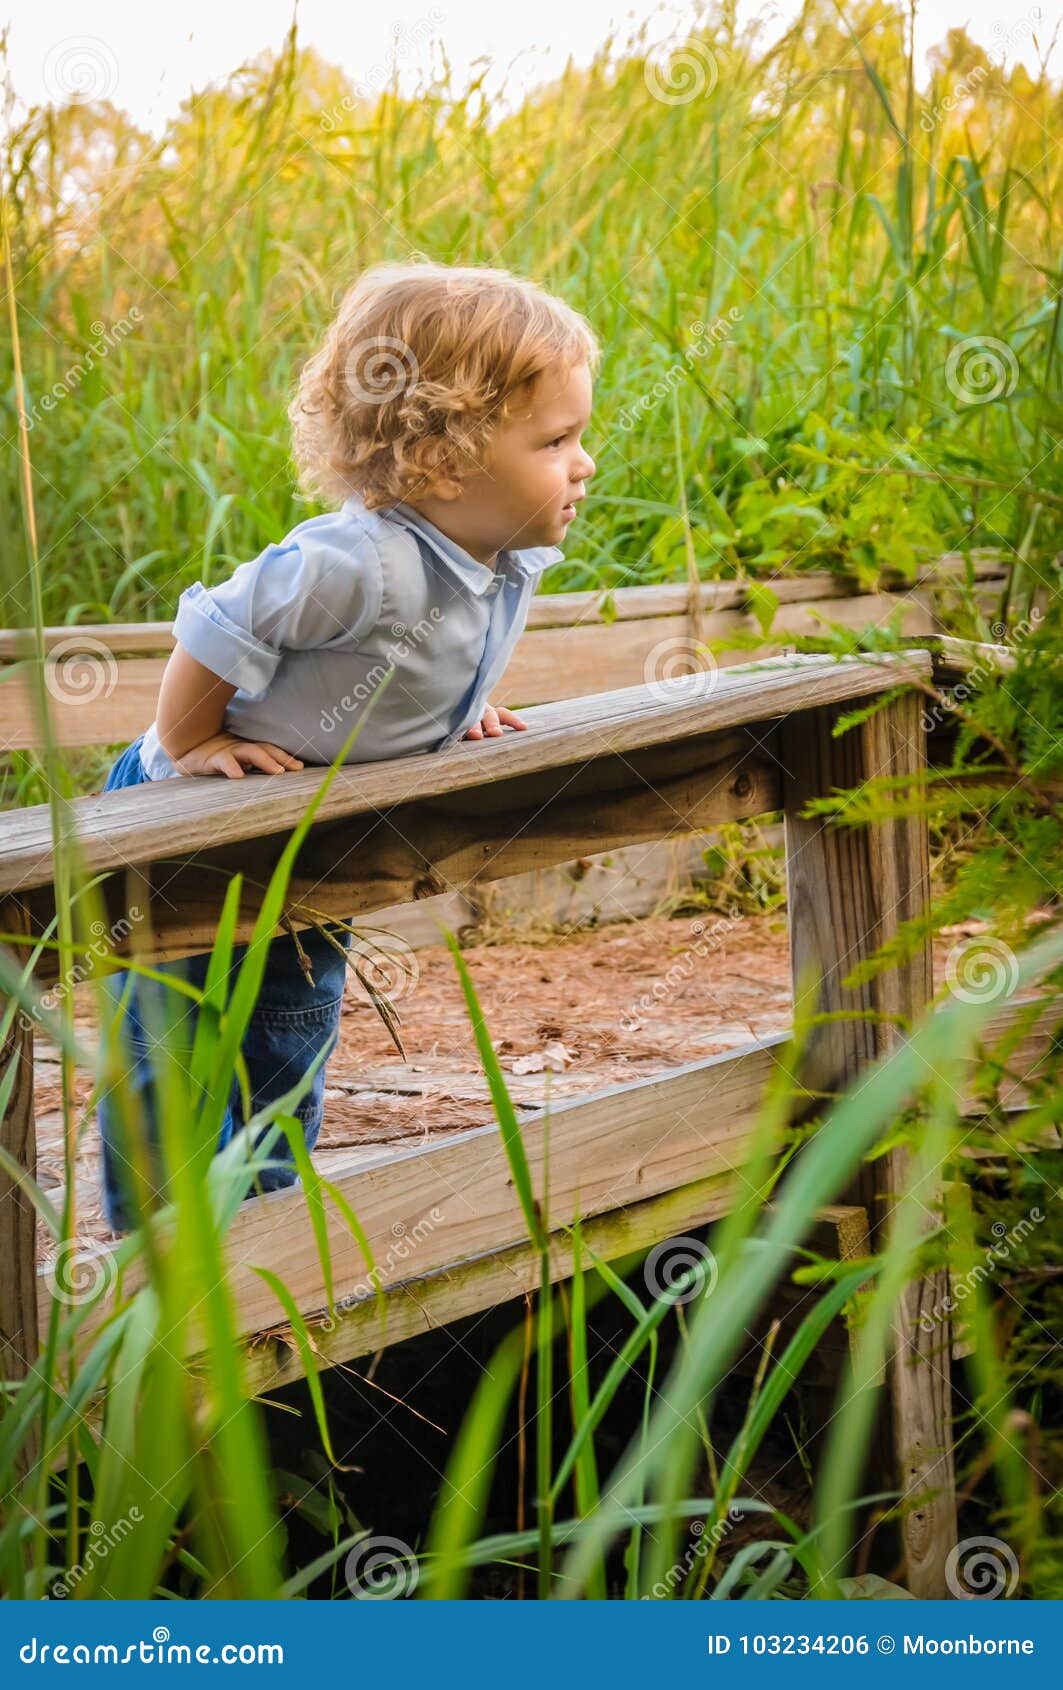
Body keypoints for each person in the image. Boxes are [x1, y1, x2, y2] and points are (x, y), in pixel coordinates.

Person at [96, 258, 599, 1233]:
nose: (583, 463)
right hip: (185, 830)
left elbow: (449, 653)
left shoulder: (508, 562)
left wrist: (466, 709)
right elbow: (214, 626)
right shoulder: (357, 562)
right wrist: (190, 738)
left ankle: (265, 1229)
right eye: (556, 440)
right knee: (174, 1044)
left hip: (308, 842)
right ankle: (152, 1255)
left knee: (290, 1027)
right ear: (445, 463)